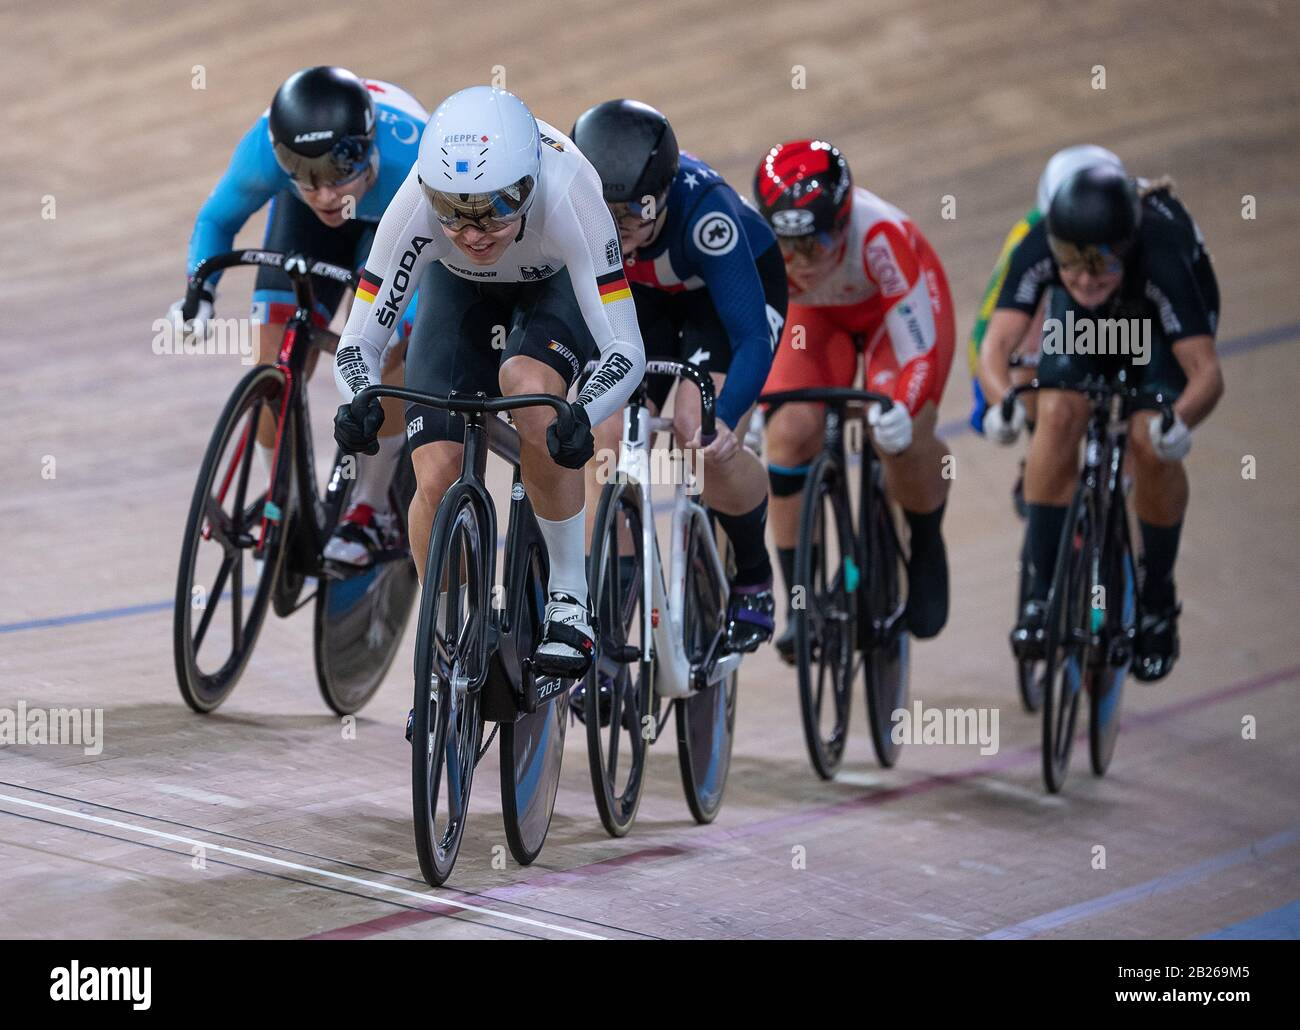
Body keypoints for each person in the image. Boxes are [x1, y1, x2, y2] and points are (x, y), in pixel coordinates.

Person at [331, 86, 645, 680]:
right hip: (459, 292)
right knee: (436, 469)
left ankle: (569, 602)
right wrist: (358, 398)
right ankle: (446, 641)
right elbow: (360, 341)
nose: (473, 232)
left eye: (495, 209)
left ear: (529, 186)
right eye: (452, 210)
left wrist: (582, 412)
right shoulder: (413, 205)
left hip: (551, 289)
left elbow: (625, 348)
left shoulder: (573, 193)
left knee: (529, 388)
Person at [171, 66, 427, 566]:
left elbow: (434, 261)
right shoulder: (266, 152)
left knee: (387, 346)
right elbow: (216, 219)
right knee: (275, 358)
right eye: (305, 176)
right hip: (303, 227)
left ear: (367, 146)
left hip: (394, 218)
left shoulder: (416, 155)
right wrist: (200, 292)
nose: (325, 194)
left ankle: (371, 509)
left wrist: (397, 325)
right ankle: (281, 500)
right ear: (283, 157)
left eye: (337, 173)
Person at [978, 165, 1222, 681]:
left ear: (1127, 246)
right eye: (1072, 265)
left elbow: (1206, 376)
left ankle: (1157, 602)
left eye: (1100, 264)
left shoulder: (1161, 252)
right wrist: (1001, 401)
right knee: (1059, 410)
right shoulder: (1043, 243)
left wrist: (1178, 422)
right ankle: (1040, 598)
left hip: (1156, 323)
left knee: (1147, 440)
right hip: (1092, 323)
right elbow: (995, 347)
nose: (1086, 279)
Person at [570, 99, 787, 654]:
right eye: (606, 215)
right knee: (605, 432)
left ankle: (754, 577)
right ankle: (613, 599)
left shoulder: (707, 216)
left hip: (723, 298)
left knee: (695, 434)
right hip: (648, 298)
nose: (618, 232)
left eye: (633, 216)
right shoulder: (585, 211)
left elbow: (750, 339)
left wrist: (728, 418)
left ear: (664, 195)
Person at [753, 139, 956, 661]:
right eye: (787, 246)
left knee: (899, 433)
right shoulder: (755, 243)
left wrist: (903, 413)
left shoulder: (879, 236)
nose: (800, 261)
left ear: (843, 222)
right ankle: (801, 601)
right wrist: (751, 406)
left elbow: (918, 353)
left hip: (893, 317)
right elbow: (749, 334)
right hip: (816, 321)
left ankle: (927, 544)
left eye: (814, 244)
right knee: (788, 434)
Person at [967, 145, 1126, 517]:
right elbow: (992, 331)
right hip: (1058, 323)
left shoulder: (1132, 224)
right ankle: (1043, 451)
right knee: (1032, 340)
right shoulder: (1030, 238)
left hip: (1118, 323)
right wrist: (995, 398)